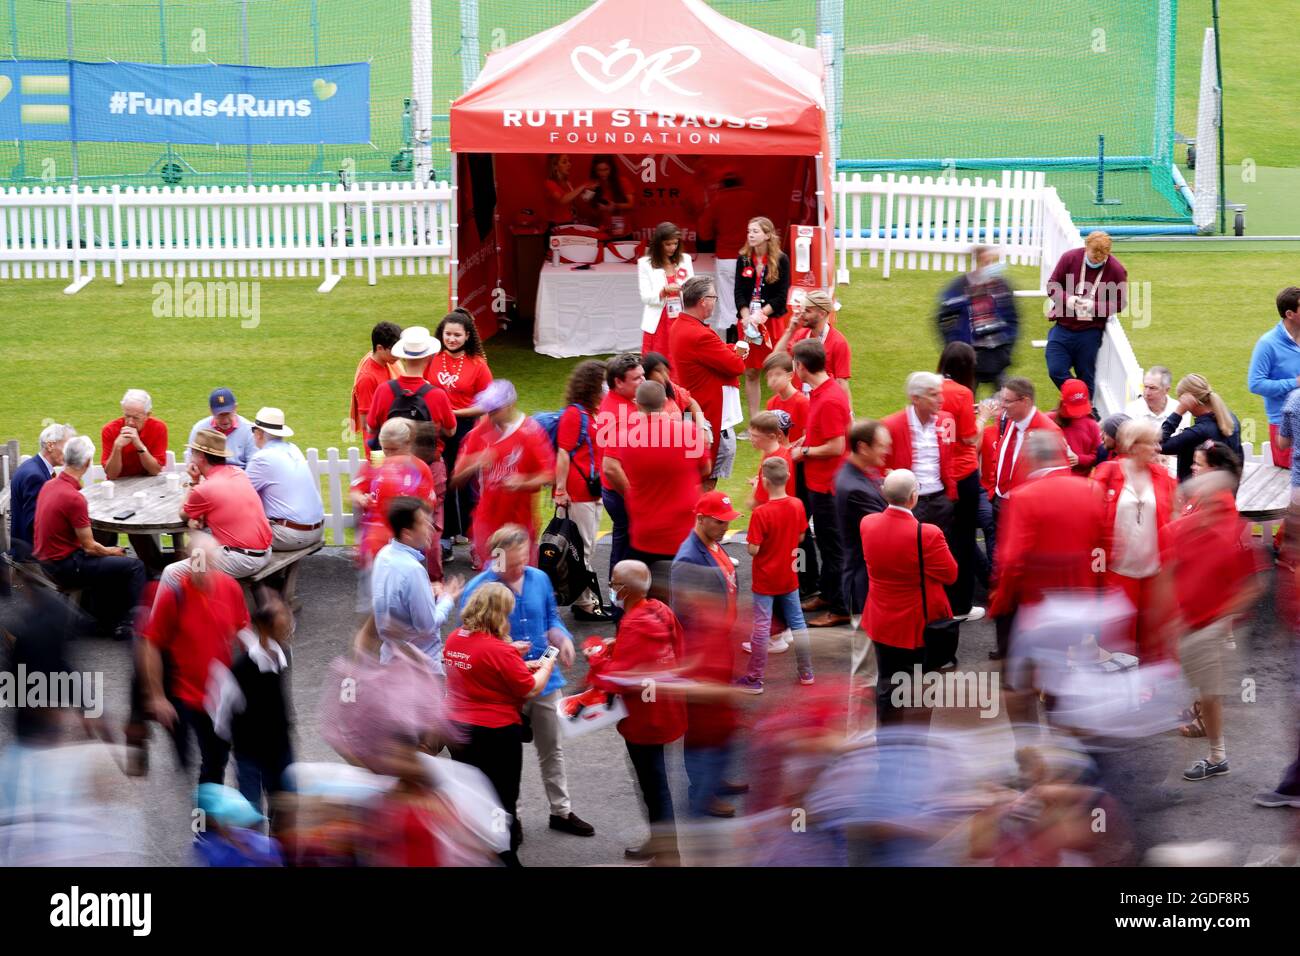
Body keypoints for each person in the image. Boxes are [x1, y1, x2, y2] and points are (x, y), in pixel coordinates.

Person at [459, 525, 594, 839]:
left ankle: (561, 811)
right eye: (514, 562)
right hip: (504, 688)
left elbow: (551, 618)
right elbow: (472, 638)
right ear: (496, 558)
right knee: (508, 760)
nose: (521, 567)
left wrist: (562, 637)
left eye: (523, 559)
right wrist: (507, 650)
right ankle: (511, 817)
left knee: (552, 748)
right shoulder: (478, 588)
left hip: (545, 681)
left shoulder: (539, 579)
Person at [1160, 470, 1265, 782]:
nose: (1210, 510)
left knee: (1210, 692)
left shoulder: (1237, 533)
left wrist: (1222, 621)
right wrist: (1172, 618)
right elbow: (1169, 573)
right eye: (1205, 503)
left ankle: (1217, 755)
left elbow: (1252, 587)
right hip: (1191, 624)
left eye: (1217, 504)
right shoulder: (1183, 530)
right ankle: (1212, 744)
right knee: (1204, 690)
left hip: (1213, 627)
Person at [444, 581, 557, 866]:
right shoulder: (498, 650)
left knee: (472, 795)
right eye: (506, 613)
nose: (508, 618)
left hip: (458, 729)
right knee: (503, 798)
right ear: (496, 614)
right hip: (495, 734)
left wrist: (513, 656)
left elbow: (482, 666)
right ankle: (505, 857)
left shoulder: (455, 639)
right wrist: (545, 667)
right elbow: (529, 688)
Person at [989, 431, 1107, 666]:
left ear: (1030, 459)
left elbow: (1012, 558)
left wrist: (1001, 598)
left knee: (1022, 676)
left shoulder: (1023, 497)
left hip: (1036, 602)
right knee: (1060, 664)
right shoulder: (1090, 489)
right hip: (1078, 595)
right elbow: (1103, 544)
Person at [141, 533, 249, 785]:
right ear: (188, 561)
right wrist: (157, 696)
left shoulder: (230, 588)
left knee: (222, 755)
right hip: (190, 695)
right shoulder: (174, 597)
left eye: (207, 563)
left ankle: (213, 810)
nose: (201, 570)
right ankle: (205, 819)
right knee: (213, 760)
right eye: (196, 562)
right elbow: (151, 644)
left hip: (222, 693)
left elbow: (243, 631)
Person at [599, 560, 688, 863]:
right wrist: (620, 646)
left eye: (613, 583)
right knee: (655, 782)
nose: (610, 588)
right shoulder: (659, 611)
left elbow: (620, 679)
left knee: (654, 785)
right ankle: (662, 843)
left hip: (644, 721)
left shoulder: (635, 623)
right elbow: (678, 652)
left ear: (624, 590)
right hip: (666, 712)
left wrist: (598, 660)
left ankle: (668, 852)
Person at [859, 470, 957, 724]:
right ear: (914, 497)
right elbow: (950, 574)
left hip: (882, 621)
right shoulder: (928, 534)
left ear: (883, 493)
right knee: (921, 692)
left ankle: (887, 749)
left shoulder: (867, 523)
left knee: (887, 685)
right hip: (918, 625)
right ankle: (913, 750)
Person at [671, 492, 744, 818]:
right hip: (702, 652)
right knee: (701, 724)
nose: (726, 526)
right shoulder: (689, 559)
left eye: (728, 521)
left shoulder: (712, 545)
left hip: (719, 644)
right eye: (719, 521)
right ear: (701, 519)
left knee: (717, 717)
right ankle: (701, 791)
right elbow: (686, 615)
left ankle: (713, 779)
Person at [32, 435, 145, 641]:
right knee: (134, 566)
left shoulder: (50, 485)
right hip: (65, 567)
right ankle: (131, 625)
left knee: (109, 555)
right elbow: (90, 548)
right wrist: (114, 552)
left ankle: (105, 619)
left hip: (46, 561)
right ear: (87, 462)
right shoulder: (74, 498)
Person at [602, 381, 710, 595]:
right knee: (686, 596)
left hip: (644, 529)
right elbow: (705, 469)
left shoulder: (624, 436)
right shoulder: (688, 432)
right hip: (682, 529)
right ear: (665, 401)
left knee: (646, 594)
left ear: (637, 403)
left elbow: (610, 467)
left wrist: (630, 493)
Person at [881, 372, 971, 624]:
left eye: (940, 393)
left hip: (941, 502)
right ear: (915, 398)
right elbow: (882, 467)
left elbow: (949, 457)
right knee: (910, 562)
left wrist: (950, 493)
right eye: (934, 394)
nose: (941, 399)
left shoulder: (946, 420)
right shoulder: (891, 425)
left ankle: (943, 614)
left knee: (942, 559)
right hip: (910, 506)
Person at [1092, 420, 1178, 660]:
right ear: (1134, 445)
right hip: (1118, 570)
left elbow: (1176, 516)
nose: (1158, 448)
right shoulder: (1107, 472)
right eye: (1153, 443)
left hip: (1154, 570)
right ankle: (1120, 684)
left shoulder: (1163, 476)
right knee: (1118, 633)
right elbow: (1092, 518)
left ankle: (1148, 685)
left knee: (1153, 632)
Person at [210, 590, 296, 824]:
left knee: (285, 811)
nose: (288, 626)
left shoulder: (283, 654)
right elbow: (221, 713)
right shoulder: (241, 669)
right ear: (266, 628)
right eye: (283, 621)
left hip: (280, 748)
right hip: (250, 753)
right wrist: (224, 748)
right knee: (250, 813)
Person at [453, 381, 556, 569]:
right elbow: (456, 479)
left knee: (520, 578)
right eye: (487, 410)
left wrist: (522, 482)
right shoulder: (479, 433)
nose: (489, 415)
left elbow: (549, 475)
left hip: (520, 523)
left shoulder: (531, 432)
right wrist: (475, 463)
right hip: (488, 523)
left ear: (509, 405)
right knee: (496, 579)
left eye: (494, 410)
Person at [737, 457, 813, 692]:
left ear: (764, 481)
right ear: (788, 477)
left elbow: (753, 549)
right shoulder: (797, 505)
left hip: (765, 578)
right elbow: (800, 537)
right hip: (789, 576)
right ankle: (806, 672)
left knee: (761, 627)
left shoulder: (761, 513)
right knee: (798, 623)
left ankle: (755, 678)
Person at [161, 429, 273, 586]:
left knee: (172, 572)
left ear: (200, 457)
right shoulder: (238, 473)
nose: (190, 456)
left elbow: (183, 514)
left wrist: (193, 481)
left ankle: (170, 610)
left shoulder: (204, 489)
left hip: (241, 560)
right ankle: (200, 601)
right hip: (265, 552)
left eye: (192, 452)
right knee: (199, 544)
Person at [835, 419, 890, 739]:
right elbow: (887, 525)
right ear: (863, 447)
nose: (887, 451)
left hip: (863, 583)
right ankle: (857, 740)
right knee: (866, 669)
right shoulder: (855, 488)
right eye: (882, 446)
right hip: (864, 586)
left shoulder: (856, 477)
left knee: (870, 666)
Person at [792, 339, 852, 628]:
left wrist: (803, 452)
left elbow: (837, 446)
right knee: (827, 544)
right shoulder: (822, 393)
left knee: (832, 546)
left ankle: (841, 606)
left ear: (801, 367)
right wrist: (805, 441)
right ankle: (829, 595)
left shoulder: (828, 398)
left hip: (827, 486)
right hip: (819, 483)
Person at [669, 274, 748, 489]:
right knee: (705, 481)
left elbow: (714, 357)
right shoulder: (700, 334)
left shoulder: (680, 326)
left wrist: (730, 352)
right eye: (714, 296)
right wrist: (738, 353)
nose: (715, 301)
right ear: (704, 301)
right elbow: (736, 366)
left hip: (695, 411)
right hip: (708, 414)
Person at [426, 310, 493, 560]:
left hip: (465, 430)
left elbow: (488, 403)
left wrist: (455, 411)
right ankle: (445, 539)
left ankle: (473, 538)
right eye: (448, 334)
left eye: (457, 335)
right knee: (440, 484)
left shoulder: (478, 365)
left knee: (465, 485)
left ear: (467, 336)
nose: (452, 339)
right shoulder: (431, 359)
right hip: (437, 430)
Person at [371, 497, 462, 667]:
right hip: (419, 667)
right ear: (407, 533)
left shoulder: (384, 555)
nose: (431, 528)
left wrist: (425, 590)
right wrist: (448, 599)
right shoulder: (413, 570)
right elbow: (427, 626)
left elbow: (397, 597)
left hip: (390, 658)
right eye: (425, 523)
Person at [553, 360, 610, 622]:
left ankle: (583, 598)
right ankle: (585, 603)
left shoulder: (594, 414)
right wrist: (561, 491)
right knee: (583, 548)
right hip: (579, 492)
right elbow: (563, 453)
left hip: (592, 491)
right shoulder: (575, 415)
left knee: (587, 546)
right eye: (604, 382)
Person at [1045, 231, 1128, 401]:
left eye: (1101, 257)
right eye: (1093, 255)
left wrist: (1094, 306)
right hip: (1063, 326)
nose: (1096, 259)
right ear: (1086, 247)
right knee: (1056, 369)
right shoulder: (1070, 258)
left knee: (1086, 375)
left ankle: (1085, 413)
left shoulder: (1116, 270)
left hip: (1090, 332)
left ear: (1108, 253)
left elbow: (1121, 303)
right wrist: (1067, 299)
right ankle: (1079, 400)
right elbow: (1052, 285)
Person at [985, 377, 1065, 541]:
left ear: (1025, 401)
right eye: (1002, 400)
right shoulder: (1012, 419)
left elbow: (1056, 483)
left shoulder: (1048, 432)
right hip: (1000, 501)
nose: (1002, 405)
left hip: (1025, 513)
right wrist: (995, 492)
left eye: (1008, 401)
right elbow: (1001, 455)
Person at [351, 419, 436, 572]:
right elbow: (356, 490)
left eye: (394, 449)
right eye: (385, 449)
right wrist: (362, 499)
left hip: (406, 545)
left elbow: (427, 507)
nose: (389, 455)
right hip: (376, 544)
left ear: (408, 444)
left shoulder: (420, 468)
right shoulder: (376, 461)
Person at [936, 344, 983, 619]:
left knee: (940, 536)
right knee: (963, 539)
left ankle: (940, 599)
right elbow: (968, 437)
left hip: (936, 473)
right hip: (963, 473)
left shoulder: (930, 388)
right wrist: (982, 418)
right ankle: (960, 605)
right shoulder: (963, 393)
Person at [595, 353, 646, 596]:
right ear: (618, 382)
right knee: (629, 547)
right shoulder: (620, 416)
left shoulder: (621, 404)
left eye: (643, 375)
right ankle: (622, 596)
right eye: (637, 378)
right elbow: (611, 467)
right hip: (622, 492)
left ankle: (619, 593)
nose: (643, 381)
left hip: (615, 491)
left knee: (623, 541)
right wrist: (634, 496)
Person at [936, 245, 1019, 393]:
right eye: (985, 262)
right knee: (965, 402)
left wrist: (1008, 346)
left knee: (1007, 403)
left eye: (992, 262)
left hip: (998, 355)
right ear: (976, 262)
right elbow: (943, 319)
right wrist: (955, 348)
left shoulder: (1002, 286)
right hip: (969, 357)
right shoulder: (959, 287)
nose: (990, 267)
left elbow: (1013, 317)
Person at [364, 325, 456, 456]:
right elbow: (451, 431)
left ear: (403, 357)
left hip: (392, 466)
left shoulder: (383, 390)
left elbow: (371, 428)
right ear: (429, 357)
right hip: (427, 464)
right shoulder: (438, 395)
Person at [734, 216, 791, 419]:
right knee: (750, 372)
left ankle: (780, 418)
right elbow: (738, 292)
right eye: (749, 231)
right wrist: (746, 316)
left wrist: (761, 314)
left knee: (775, 369)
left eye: (755, 231)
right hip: (747, 322)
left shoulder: (781, 259)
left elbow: (782, 296)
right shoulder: (743, 259)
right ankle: (755, 421)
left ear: (768, 235)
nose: (751, 235)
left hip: (770, 323)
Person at [246, 407, 323, 551]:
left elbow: (239, 496)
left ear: (258, 433)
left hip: (291, 535)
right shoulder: (293, 448)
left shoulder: (262, 458)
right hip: (317, 531)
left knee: (232, 532)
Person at [697, 168, 761, 336]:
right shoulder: (751, 198)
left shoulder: (718, 199)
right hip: (749, 257)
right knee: (750, 295)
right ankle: (750, 332)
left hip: (726, 257)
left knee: (726, 300)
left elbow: (704, 232)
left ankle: (732, 334)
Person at [1247, 286, 1300, 469]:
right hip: (1285, 427)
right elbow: (1255, 384)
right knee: (1288, 486)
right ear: (1290, 314)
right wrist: (1295, 383)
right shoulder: (1268, 344)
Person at [6, 421, 73, 559]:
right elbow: (35, 524)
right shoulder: (35, 476)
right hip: (33, 553)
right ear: (50, 445)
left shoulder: (33, 466)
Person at [1161, 373, 1242, 482]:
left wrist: (1178, 412)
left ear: (1189, 401)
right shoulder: (1231, 419)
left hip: (1197, 493)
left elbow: (1158, 444)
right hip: (1226, 489)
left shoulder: (1199, 432)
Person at [775, 288, 852, 402]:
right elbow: (776, 359)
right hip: (799, 403)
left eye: (807, 311)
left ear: (821, 314)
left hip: (824, 404)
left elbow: (842, 383)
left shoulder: (838, 343)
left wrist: (848, 414)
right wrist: (790, 331)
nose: (802, 314)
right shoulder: (801, 335)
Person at [638, 222, 694, 359]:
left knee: (681, 359)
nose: (672, 248)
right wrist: (663, 291)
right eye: (668, 244)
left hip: (681, 318)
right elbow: (645, 297)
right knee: (657, 363)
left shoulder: (685, 260)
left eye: (675, 243)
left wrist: (684, 289)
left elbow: (693, 288)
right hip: (659, 322)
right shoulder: (645, 264)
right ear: (658, 244)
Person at [351, 321, 402, 446]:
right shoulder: (367, 378)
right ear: (379, 348)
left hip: (394, 440)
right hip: (379, 447)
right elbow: (366, 423)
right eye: (394, 351)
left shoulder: (388, 364)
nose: (399, 356)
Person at [102, 388, 167, 479]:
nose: (130, 422)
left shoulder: (158, 428)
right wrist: (117, 447)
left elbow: (155, 471)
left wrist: (139, 446)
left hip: (149, 483)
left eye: (136, 418)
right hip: (119, 485)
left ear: (147, 415)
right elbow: (111, 475)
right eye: (127, 416)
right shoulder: (110, 430)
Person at [186, 388, 256, 470]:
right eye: (220, 415)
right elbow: (192, 460)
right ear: (211, 411)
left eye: (228, 414)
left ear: (235, 408)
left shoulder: (249, 430)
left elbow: (253, 466)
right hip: (209, 477)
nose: (225, 420)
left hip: (240, 477)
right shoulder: (199, 429)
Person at [1049, 379, 1103, 476]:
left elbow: (1098, 455)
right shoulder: (1049, 419)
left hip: (1079, 482)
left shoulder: (1091, 424)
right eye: (1074, 407)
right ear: (1062, 402)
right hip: (1053, 478)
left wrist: (1079, 459)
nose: (1078, 414)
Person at [576, 154, 634, 234]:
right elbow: (589, 211)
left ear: (612, 168)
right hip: (604, 232)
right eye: (599, 170)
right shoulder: (592, 185)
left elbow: (631, 204)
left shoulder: (623, 182)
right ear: (595, 170)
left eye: (606, 169)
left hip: (624, 232)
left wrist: (615, 206)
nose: (603, 173)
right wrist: (590, 197)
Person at [641, 352, 705, 423]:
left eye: (666, 371)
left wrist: (702, 425)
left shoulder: (670, 387)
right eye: (658, 371)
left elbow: (690, 403)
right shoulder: (642, 397)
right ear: (647, 374)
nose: (665, 376)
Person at [543, 154, 595, 227]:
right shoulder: (549, 183)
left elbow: (581, 201)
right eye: (564, 162)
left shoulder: (568, 183)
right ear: (555, 166)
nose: (569, 164)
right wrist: (582, 187)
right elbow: (562, 200)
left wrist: (590, 191)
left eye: (569, 161)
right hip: (556, 225)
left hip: (570, 223)